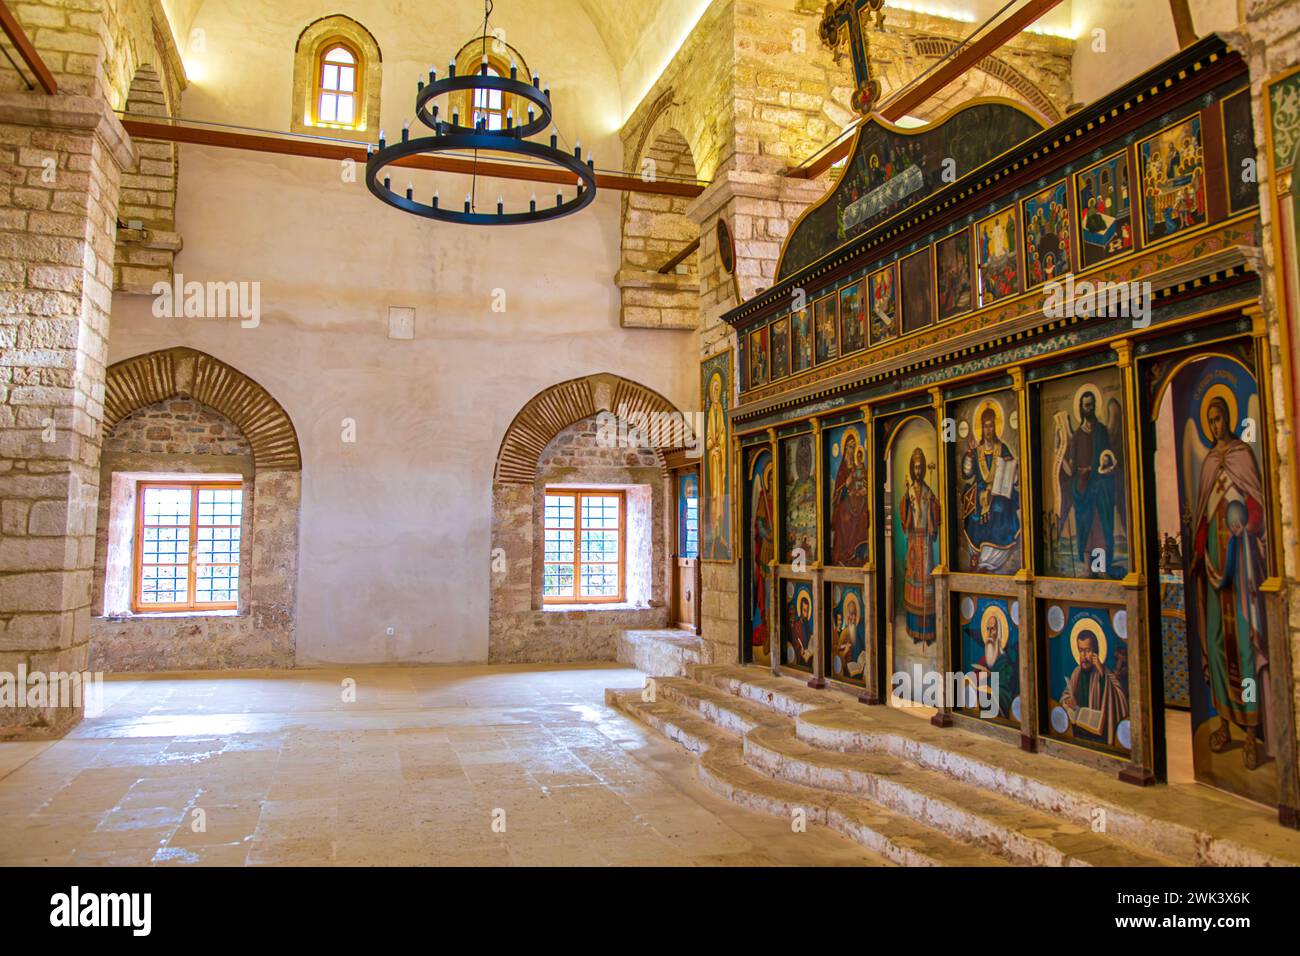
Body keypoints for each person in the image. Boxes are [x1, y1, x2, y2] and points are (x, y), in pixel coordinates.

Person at [1190, 395, 1271, 769]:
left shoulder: (1242, 456)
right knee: (1217, 644)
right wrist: (1196, 553)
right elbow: (1204, 518)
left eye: (1219, 418)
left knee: (1245, 645)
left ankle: (1252, 731)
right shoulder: (1208, 464)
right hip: (1213, 571)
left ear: (1229, 420)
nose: (1215, 426)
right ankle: (1224, 723)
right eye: (1210, 420)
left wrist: (1247, 526)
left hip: (1241, 574)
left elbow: (1258, 506)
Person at [960, 405, 1021, 573]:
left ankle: (990, 562)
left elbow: (1013, 474)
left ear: (995, 427)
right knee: (974, 515)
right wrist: (970, 456)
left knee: (999, 509)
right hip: (980, 492)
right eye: (985, 426)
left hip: (998, 491)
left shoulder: (1002, 448)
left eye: (991, 425)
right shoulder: (976, 451)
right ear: (981, 428)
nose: (988, 429)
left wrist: (1011, 468)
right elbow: (967, 474)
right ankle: (977, 556)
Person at [1060, 627, 1129, 747]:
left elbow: (1118, 697)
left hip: (1099, 733)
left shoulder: (1104, 672)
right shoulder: (1077, 672)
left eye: (1087, 650)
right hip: (1078, 729)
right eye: (1081, 650)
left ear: (1095, 652)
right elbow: (1066, 694)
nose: (1084, 655)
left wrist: (1101, 672)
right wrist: (1068, 702)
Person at [900, 446, 940, 644]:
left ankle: (928, 631)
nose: (917, 471)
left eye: (920, 468)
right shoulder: (909, 492)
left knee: (927, 585)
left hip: (925, 543)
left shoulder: (927, 491)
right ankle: (915, 631)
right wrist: (906, 502)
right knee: (914, 583)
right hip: (913, 544)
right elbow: (904, 514)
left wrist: (933, 511)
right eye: (915, 467)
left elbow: (935, 512)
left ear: (924, 469)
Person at [830, 431, 870, 566]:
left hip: (858, 501)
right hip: (846, 503)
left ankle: (860, 554)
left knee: (865, 513)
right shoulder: (842, 469)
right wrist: (847, 482)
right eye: (850, 447)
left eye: (854, 447)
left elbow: (864, 483)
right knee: (845, 515)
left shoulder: (859, 466)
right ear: (845, 448)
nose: (852, 450)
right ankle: (845, 555)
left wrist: (865, 490)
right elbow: (837, 495)